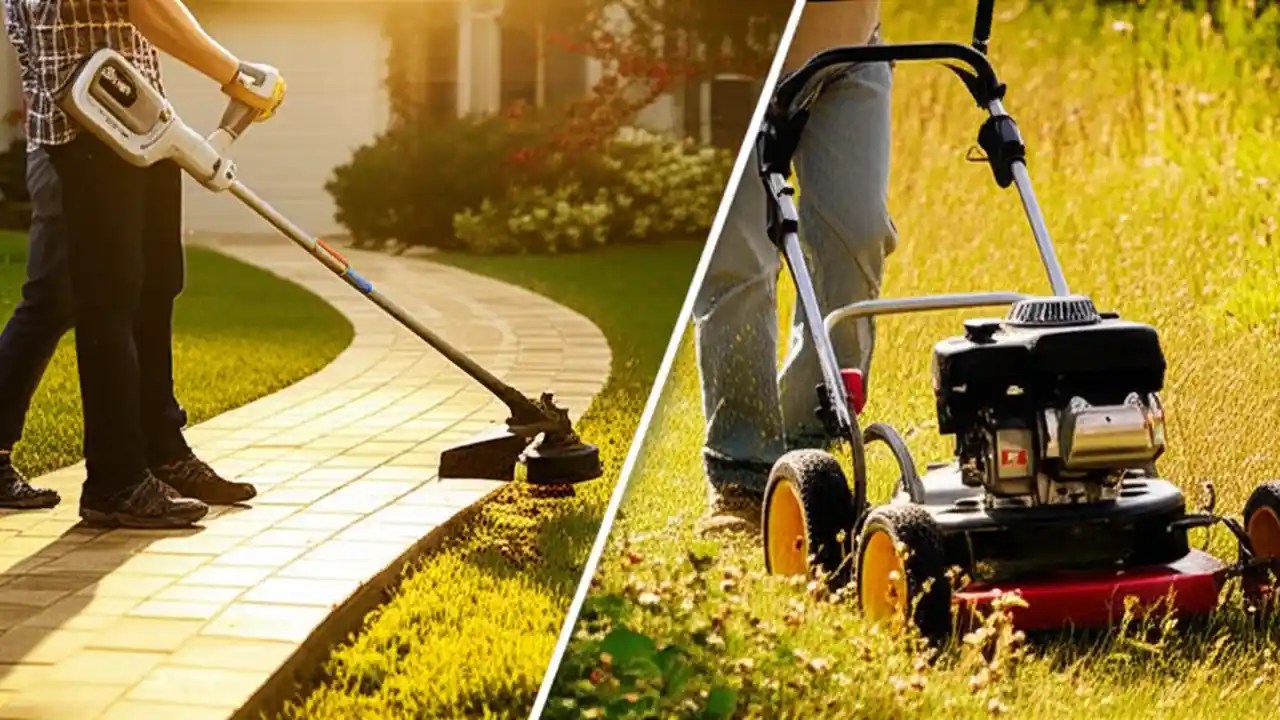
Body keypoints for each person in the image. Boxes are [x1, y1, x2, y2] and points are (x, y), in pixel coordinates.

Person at [3, 0, 284, 527]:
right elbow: (146, 6)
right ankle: (114, 480)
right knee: (109, 300)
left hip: (138, 110)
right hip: (93, 119)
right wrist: (235, 74)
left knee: (156, 286)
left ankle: (161, 451)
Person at [693, 0, 896, 536]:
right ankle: (742, 473)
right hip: (748, 56)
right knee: (738, 257)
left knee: (859, 231)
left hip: (852, 50)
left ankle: (813, 450)